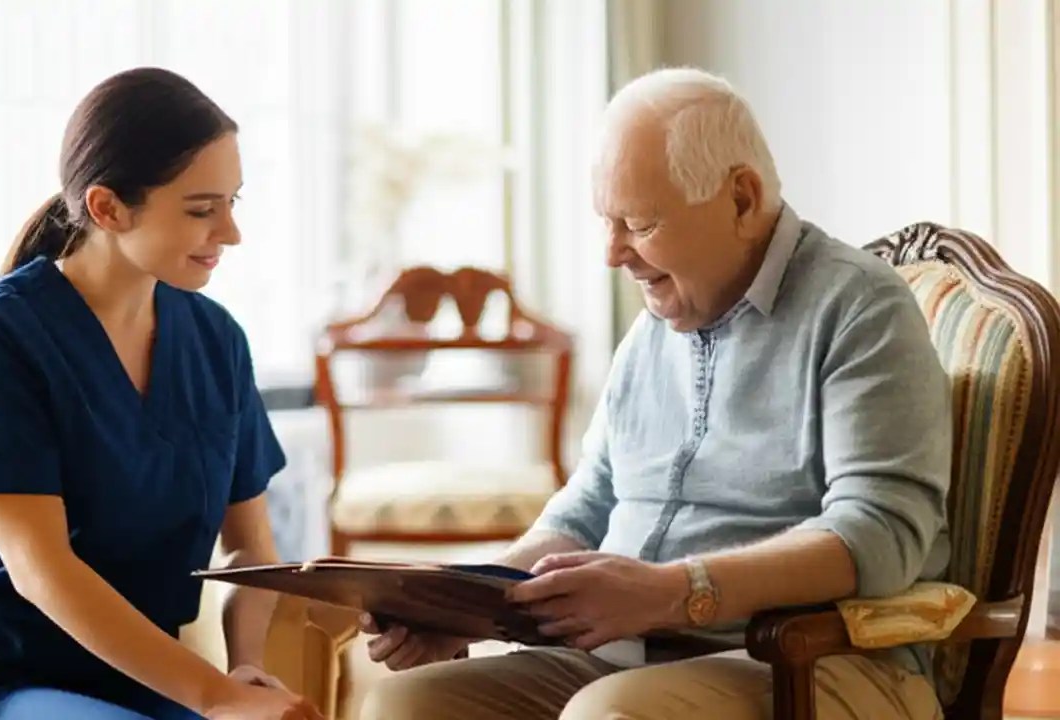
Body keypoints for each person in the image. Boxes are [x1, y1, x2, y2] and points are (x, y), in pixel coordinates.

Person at [358, 67, 952, 719]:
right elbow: (586, 511)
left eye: (639, 224)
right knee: (407, 706)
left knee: (609, 714)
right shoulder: (652, 329)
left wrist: (679, 591)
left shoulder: (860, 308)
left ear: (742, 200)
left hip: (808, 662)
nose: (612, 253)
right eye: (605, 222)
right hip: (626, 659)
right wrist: (470, 605)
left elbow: (880, 535)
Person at [0, 67, 322, 720]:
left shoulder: (217, 341)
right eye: (201, 209)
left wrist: (242, 671)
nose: (231, 233)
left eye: (232, 204)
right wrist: (214, 697)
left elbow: (251, 551)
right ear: (107, 207)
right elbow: (40, 568)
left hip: (142, 681)